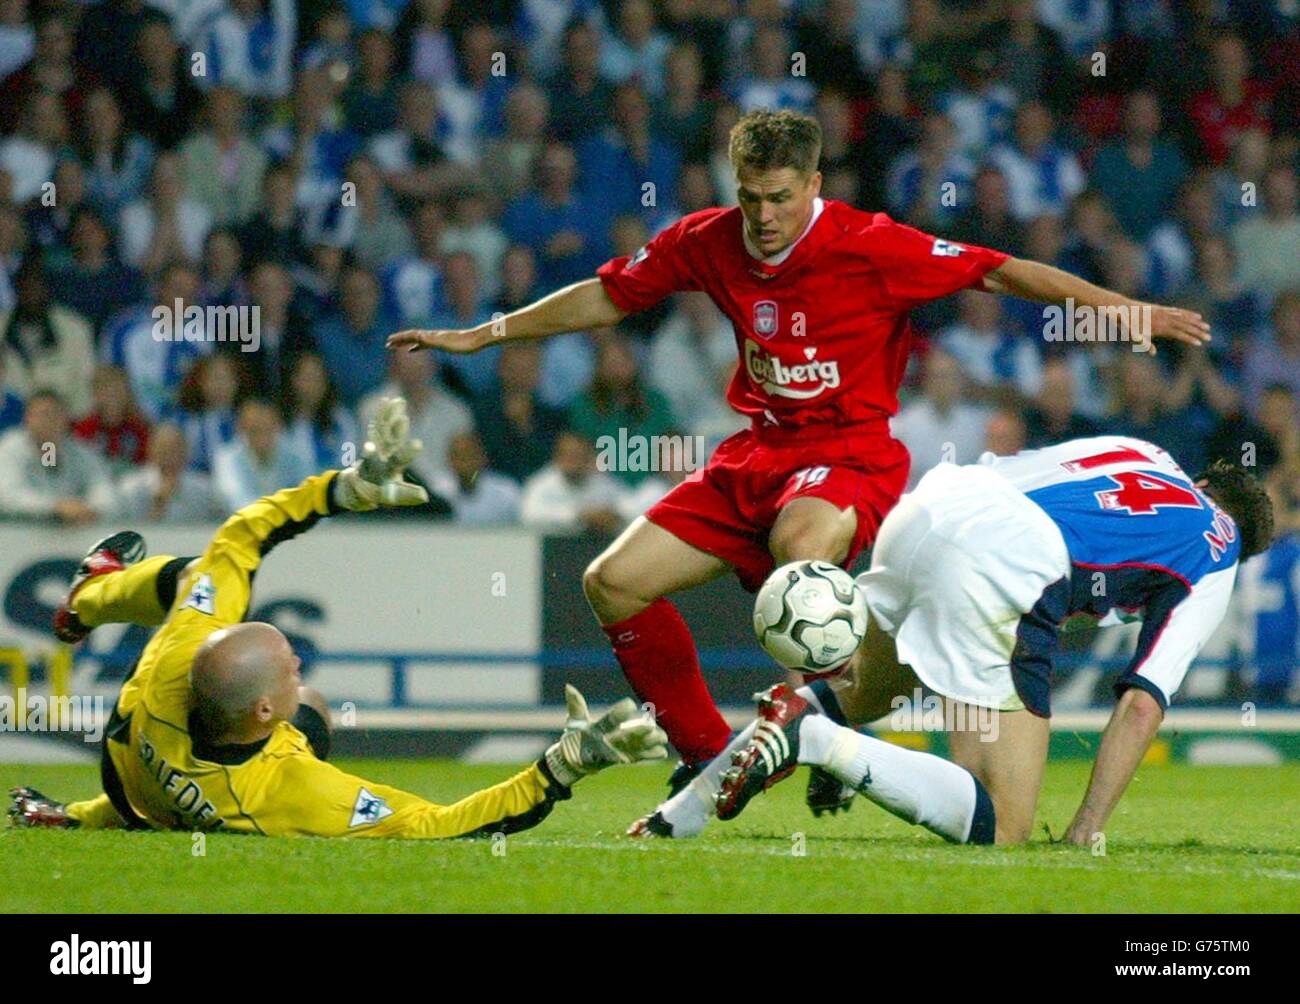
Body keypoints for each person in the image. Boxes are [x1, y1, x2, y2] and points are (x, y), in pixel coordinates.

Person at [388, 108, 1213, 817]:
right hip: (755, 453)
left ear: (815, 183)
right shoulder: (708, 240)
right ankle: (710, 753)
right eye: (749, 196)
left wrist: (1118, 308)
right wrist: (484, 332)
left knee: (800, 552)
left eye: (780, 197)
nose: (764, 215)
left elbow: (998, 270)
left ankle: (836, 734)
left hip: (850, 453)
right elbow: (608, 293)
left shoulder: (871, 245)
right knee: (612, 580)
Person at [9, 400, 667, 837]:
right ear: (266, 715)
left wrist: (342, 488)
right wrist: (559, 767)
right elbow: (436, 825)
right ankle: (90, 797)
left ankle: (86, 598)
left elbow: (240, 536)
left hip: (127, 773)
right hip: (162, 804)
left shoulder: (176, 657)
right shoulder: (288, 789)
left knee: (193, 578)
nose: (297, 662)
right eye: (286, 669)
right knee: (316, 703)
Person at [696, 438, 1273, 846]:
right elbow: (1142, 703)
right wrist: (1086, 827)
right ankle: (818, 741)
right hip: (1003, 563)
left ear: (1200, 482)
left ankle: (682, 809)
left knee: (865, 695)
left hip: (929, 510)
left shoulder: (1143, 451)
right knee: (999, 824)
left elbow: (1028, 467)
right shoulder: (1219, 553)